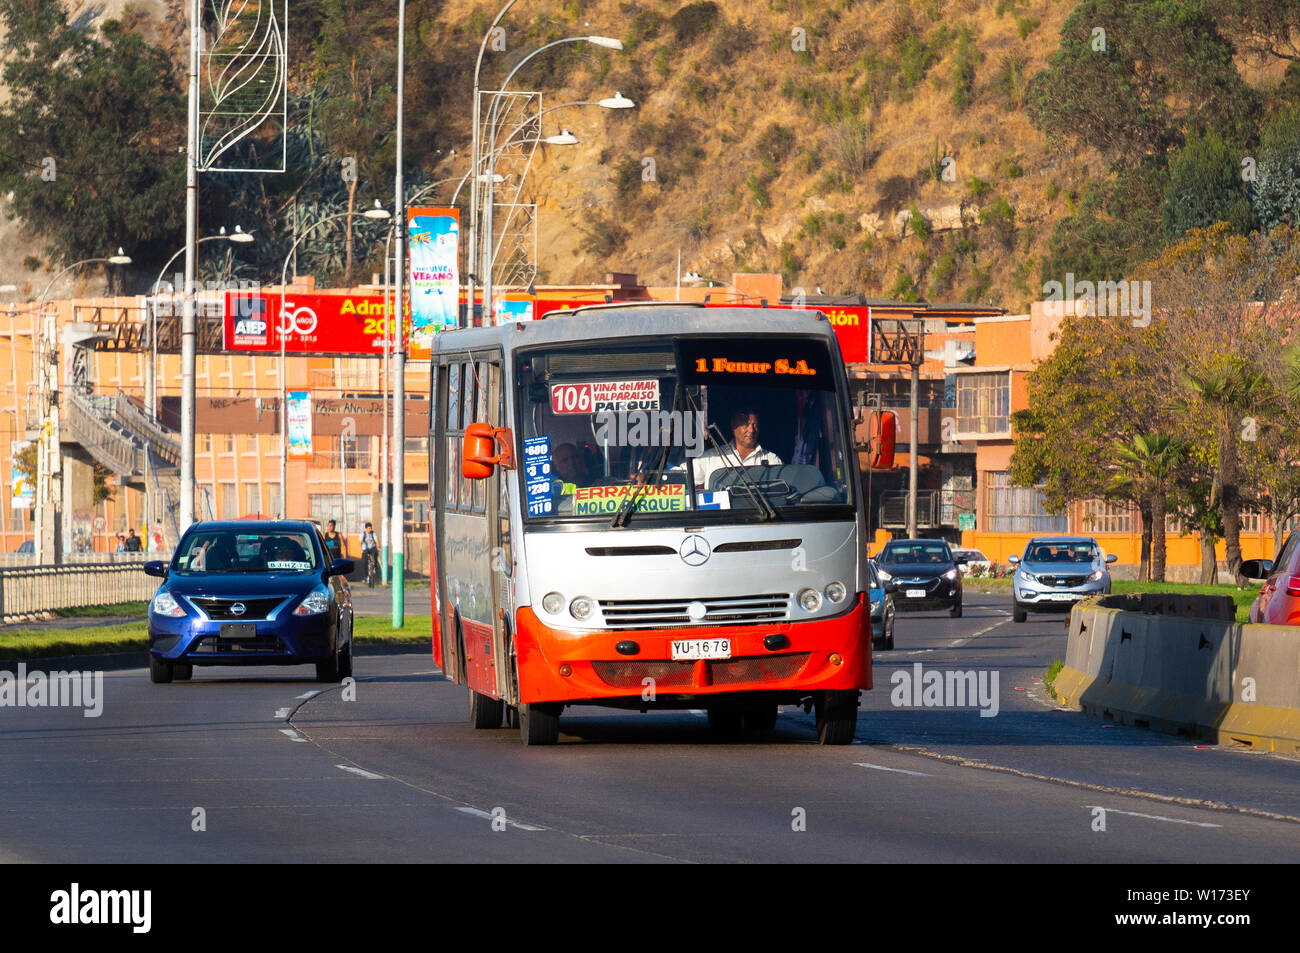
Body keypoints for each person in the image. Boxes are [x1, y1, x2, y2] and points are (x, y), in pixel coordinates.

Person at [691, 406, 783, 489]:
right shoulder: (713, 457)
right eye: (746, 425)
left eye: (755, 425)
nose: (751, 430)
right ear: (733, 425)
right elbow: (682, 476)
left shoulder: (771, 460)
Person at [360, 521, 379, 586]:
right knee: (364, 562)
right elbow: (360, 542)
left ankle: (374, 573)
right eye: (368, 528)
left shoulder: (373, 533)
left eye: (370, 528)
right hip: (365, 549)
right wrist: (361, 549)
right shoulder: (363, 534)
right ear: (366, 528)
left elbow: (376, 541)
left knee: (374, 560)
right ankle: (365, 577)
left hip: (372, 548)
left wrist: (378, 547)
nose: (369, 530)